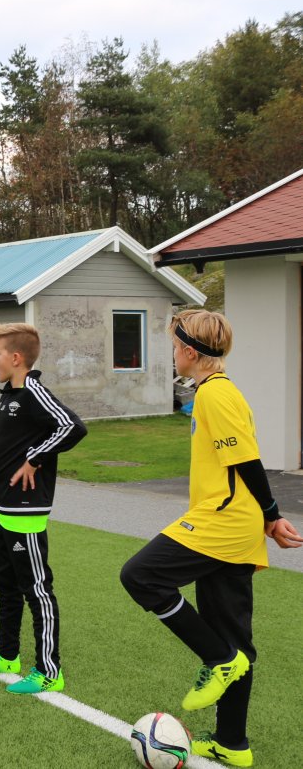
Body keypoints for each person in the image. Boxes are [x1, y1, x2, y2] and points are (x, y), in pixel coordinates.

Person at [120, 310, 302, 767]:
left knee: (140, 576)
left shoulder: (213, 395)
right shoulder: (217, 391)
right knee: (232, 629)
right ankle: (232, 743)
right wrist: (267, 519)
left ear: (189, 351)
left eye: (173, 347)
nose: (173, 355)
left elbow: (247, 463)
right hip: (237, 523)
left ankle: (219, 659)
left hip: (222, 523)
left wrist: (273, 515)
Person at [0, 322, 86, 695]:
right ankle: (8, 656)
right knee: (7, 586)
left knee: (37, 589)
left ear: (16, 358)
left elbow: (73, 427)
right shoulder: (10, 394)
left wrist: (35, 457)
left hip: (24, 511)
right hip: (1, 507)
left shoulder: (33, 390)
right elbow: (2, 441)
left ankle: (50, 671)